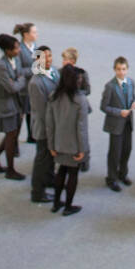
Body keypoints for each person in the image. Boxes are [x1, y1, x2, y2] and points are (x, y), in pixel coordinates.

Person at [45, 65, 90, 216]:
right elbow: (81, 128)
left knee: (61, 171)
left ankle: (56, 203)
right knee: (73, 174)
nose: (80, 81)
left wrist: (51, 145)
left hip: (58, 143)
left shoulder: (53, 96)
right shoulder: (80, 100)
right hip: (74, 146)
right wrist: (83, 149)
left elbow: (49, 123)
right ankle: (68, 206)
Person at [0, 33, 30, 180]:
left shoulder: (15, 59)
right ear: (7, 50)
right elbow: (12, 88)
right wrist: (22, 80)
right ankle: (10, 170)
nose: (19, 50)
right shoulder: (1, 66)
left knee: (13, 134)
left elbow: (20, 74)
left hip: (14, 104)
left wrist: (34, 71)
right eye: (16, 48)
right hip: (5, 107)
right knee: (12, 136)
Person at [99, 56, 135, 192]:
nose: (121, 72)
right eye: (118, 69)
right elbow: (104, 107)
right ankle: (111, 178)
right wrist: (119, 112)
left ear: (127, 69)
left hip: (128, 124)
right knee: (115, 153)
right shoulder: (110, 86)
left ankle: (123, 174)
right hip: (115, 124)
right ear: (114, 70)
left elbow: (133, 98)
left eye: (124, 69)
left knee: (127, 150)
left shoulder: (131, 83)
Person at [27, 46, 58, 203]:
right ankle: (37, 192)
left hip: (54, 124)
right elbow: (41, 111)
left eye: (50, 56)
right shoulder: (35, 83)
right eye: (45, 57)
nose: (49, 60)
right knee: (42, 159)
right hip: (45, 128)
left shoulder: (55, 72)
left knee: (51, 159)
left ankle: (50, 180)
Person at [59, 47, 92, 170]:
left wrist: (76, 93)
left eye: (66, 59)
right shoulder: (59, 72)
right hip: (66, 108)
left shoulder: (82, 73)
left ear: (73, 61)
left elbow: (87, 90)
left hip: (79, 105)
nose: (63, 62)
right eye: (63, 59)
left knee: (82, 134)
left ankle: (85, 160)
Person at [15, 22, 39, 141]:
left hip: (34, 86)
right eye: (34, 32)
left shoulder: (36, 46)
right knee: (21, 113)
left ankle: (31, 135)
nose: (36, 35)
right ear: (26, 34)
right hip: (23, 88)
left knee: (32, 112)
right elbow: (18, 71)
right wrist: (34, 70)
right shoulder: (19, 49)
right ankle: (14, 140)